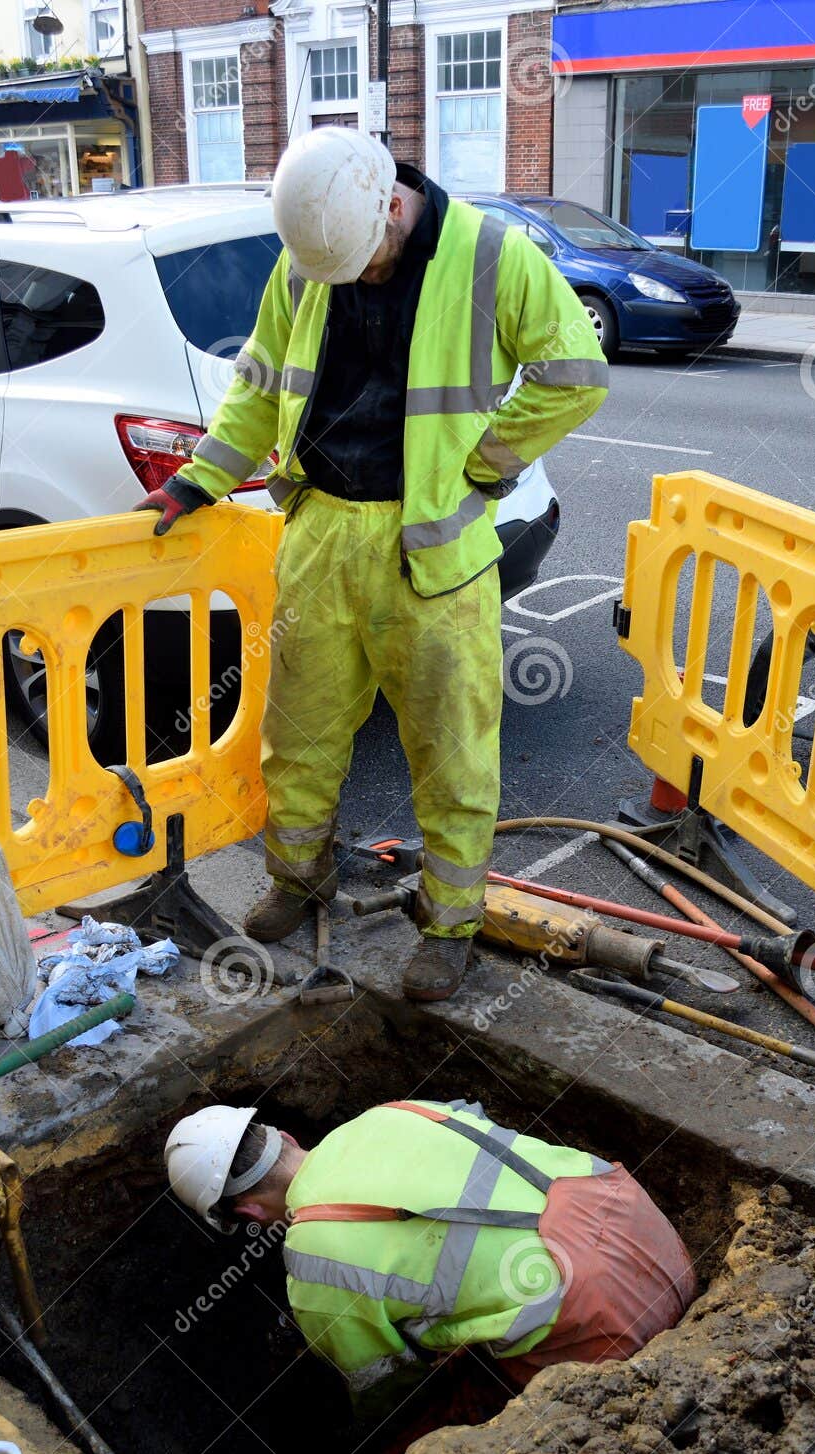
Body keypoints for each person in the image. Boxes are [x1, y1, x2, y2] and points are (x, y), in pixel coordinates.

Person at [138, 128, 608, 1002]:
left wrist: (488, 462)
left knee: (452, 752)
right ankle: (299, 878)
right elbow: (257, 386)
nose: (351, 280)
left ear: (393, 205)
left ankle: (450, 924)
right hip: (322, 532)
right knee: (299, 736)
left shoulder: (491, 255)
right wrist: (199, 478)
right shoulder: (308, 261)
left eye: (363, 261)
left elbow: (575, 373)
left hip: (432, 550)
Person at [164, 1099, 696, 1420]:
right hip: (645, 1229)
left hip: (606, 1329)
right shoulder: (391, 1113)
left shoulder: (311, 1265)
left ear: (251, 1212)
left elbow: (386, 1388)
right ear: (285, 1136)